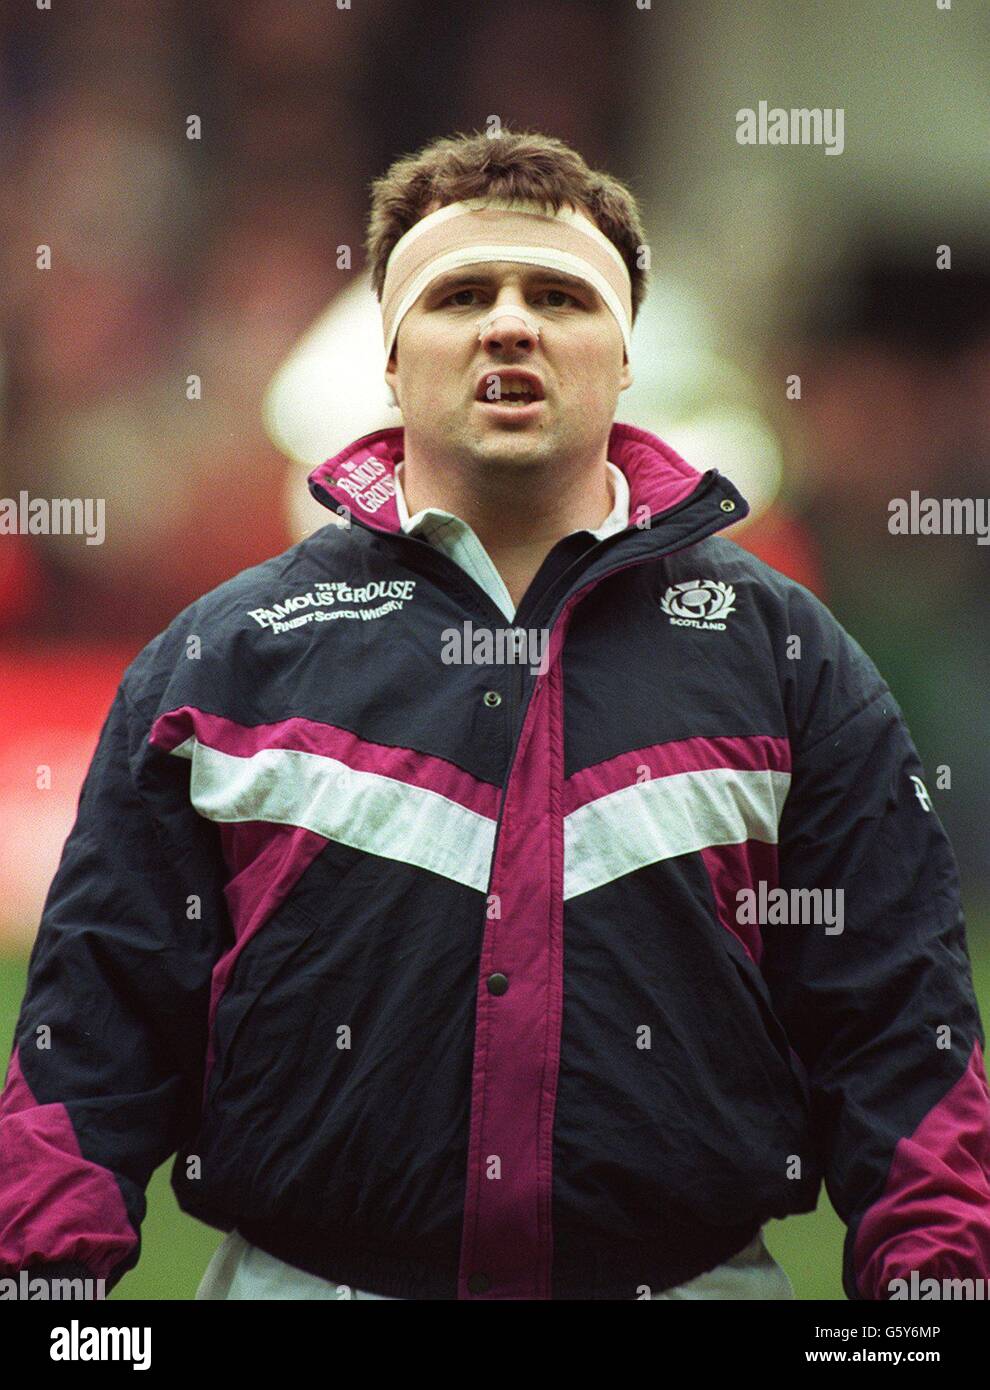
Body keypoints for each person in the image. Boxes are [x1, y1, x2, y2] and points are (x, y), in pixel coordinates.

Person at [2, 129, 988, 1302]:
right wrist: (49, 1305)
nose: (509, 324)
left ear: (624, 359)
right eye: (461, 292)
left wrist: (935, 1300)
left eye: (559, 295)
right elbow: (95, 1033)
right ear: (389, 357)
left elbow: (898, 1027)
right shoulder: (225, 659)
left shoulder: (784, 656)